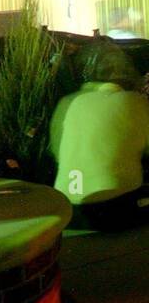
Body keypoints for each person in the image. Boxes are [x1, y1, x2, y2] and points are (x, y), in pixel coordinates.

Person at [49, 42, 149, 230]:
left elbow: (56, 152)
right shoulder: (134, 102)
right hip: (115, 207)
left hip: (69, 208)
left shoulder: (67, 102)